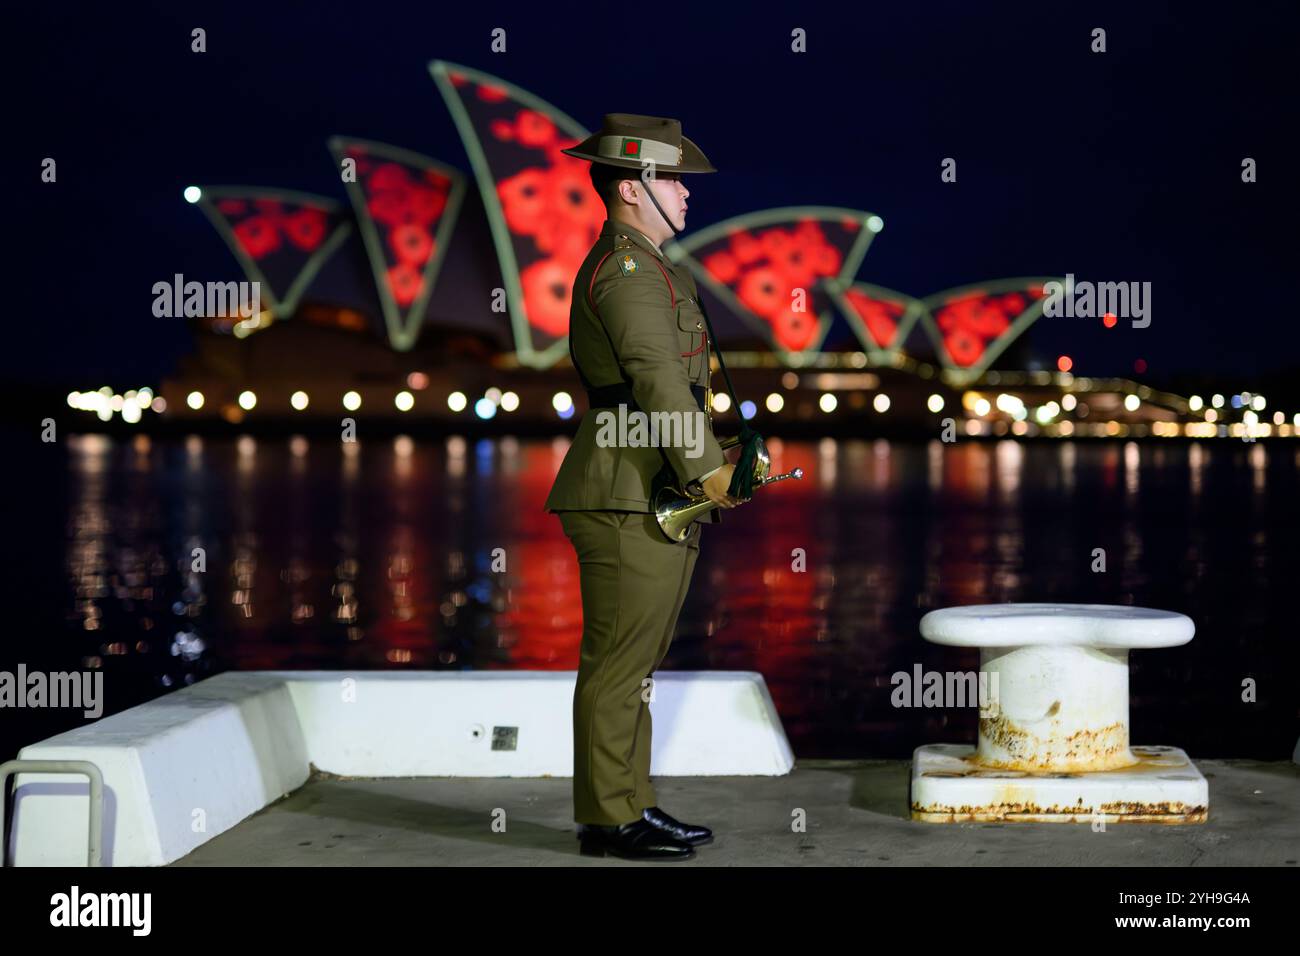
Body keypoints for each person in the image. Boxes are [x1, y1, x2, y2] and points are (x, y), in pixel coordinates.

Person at [544, 113, 742, 860]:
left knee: (638, 663)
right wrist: (708, 469)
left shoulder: (654, 268)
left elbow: (675, 387)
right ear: (634, 188)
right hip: (625, 487)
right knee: (618, 662)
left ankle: (633, 803)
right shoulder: (626, 271)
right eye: (675, 184)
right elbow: (657, 380)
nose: (688, 198)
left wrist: (715, 460)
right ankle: (605, 819)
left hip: (650, 485)